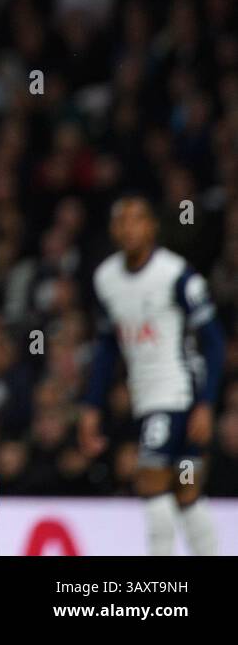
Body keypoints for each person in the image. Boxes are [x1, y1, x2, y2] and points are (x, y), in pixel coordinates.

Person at [80, 194, 224, 555]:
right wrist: (92, 406)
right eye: (122, 221)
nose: (129, 228)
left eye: (137, 220)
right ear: (114, 230)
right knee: (186, 490)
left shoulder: (176, 275)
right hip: (147, 398)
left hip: (177, 396)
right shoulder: (107, 279)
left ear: (152, 226)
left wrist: (206, 403)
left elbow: (214, 342)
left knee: (150, 482)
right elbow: (107, 347)